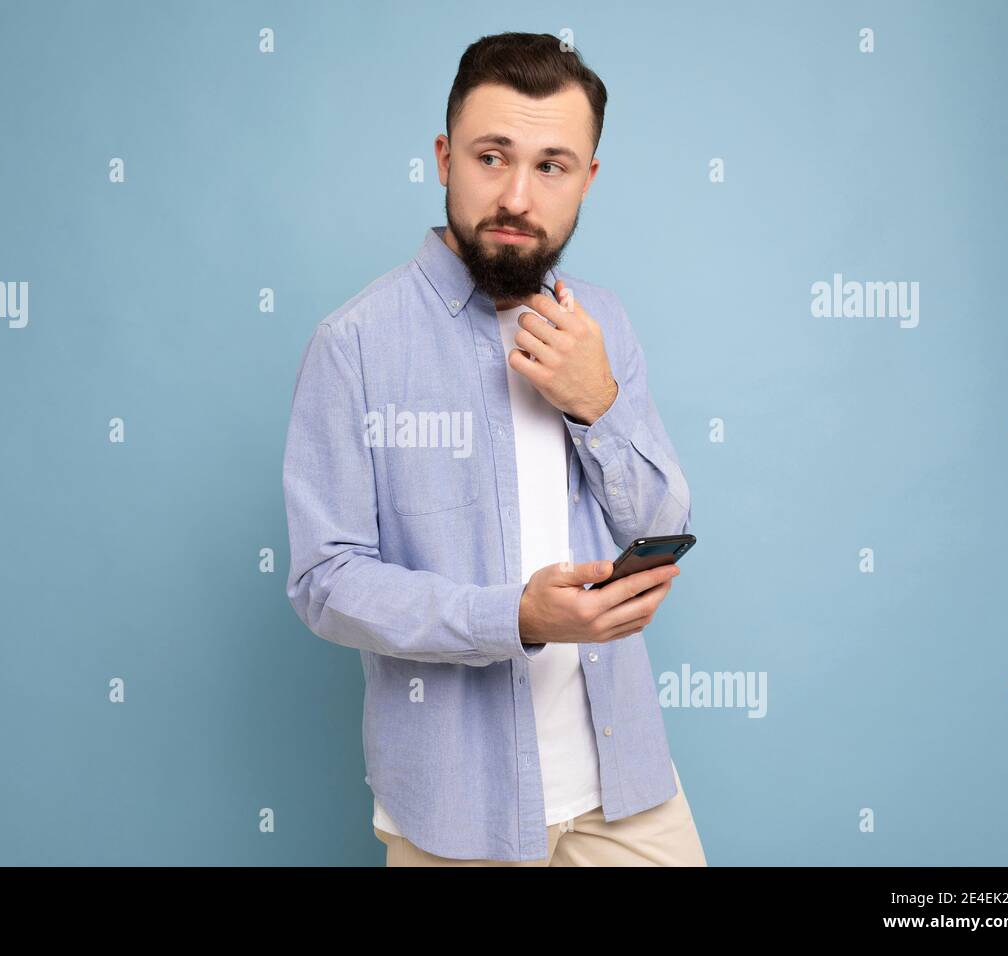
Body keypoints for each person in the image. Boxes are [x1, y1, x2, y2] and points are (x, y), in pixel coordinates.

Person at [282, 32, 705, 866]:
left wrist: (597, 403)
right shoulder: (355, 344)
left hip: (624, 783)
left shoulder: (602, 324)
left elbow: (661, 525)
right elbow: (324, 581)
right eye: (491, 157)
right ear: (445, 159)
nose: (516, 195)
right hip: (456, 807)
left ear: (587, 179)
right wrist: (514, 618)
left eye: (551, 166)